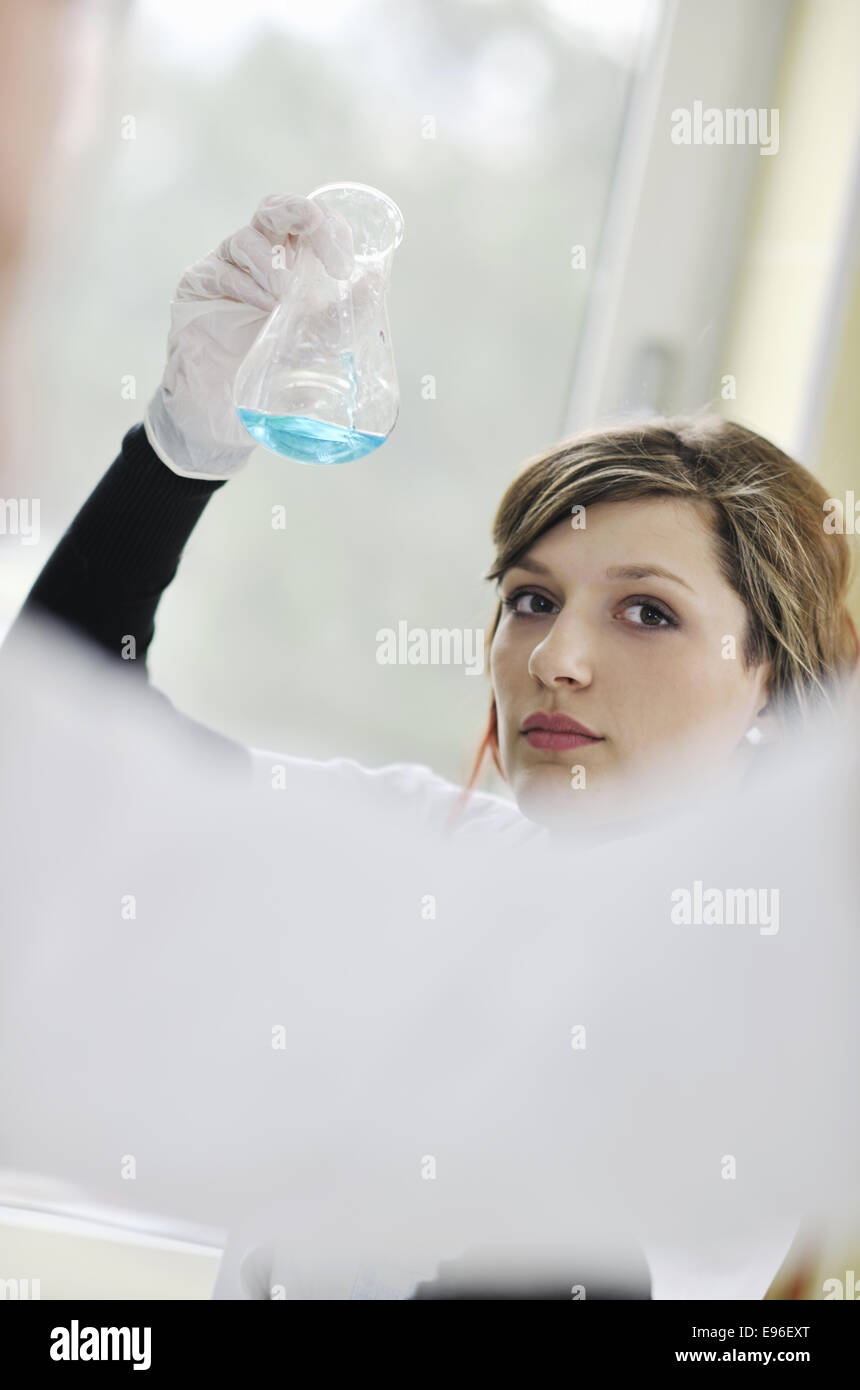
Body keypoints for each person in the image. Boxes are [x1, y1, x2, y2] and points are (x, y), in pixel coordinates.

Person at [5, 191, 859, 1299]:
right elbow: (56, 774)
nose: (556, 659)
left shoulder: (761, 1016)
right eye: (531, 600)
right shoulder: (418, 852)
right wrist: (176, 453)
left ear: (774, 683)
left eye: (647, 612)